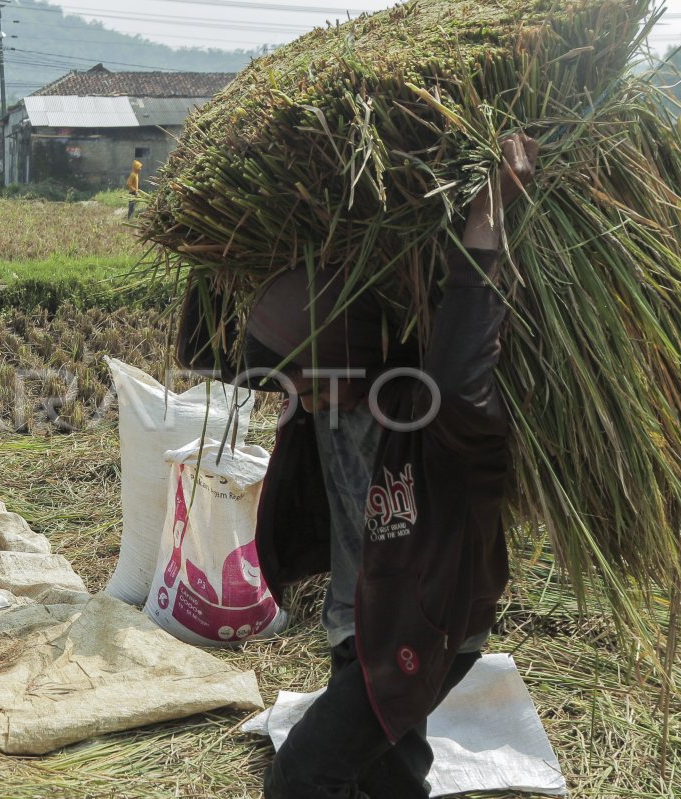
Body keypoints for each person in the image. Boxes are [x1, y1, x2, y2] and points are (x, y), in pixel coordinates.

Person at [248, 133, 538, 799]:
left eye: (311, 384)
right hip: (361, 617)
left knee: (300, 778)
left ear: (343, 352)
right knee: (386, 779)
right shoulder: (326, 387)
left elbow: (462, 366)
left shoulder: (433, 419)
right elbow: (228, 339)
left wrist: (487, 211)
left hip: (428, 621)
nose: (304, 403)